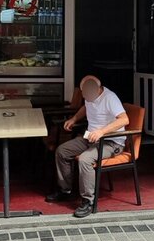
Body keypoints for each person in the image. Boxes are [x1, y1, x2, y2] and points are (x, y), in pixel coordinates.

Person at [46, 75, 129, 220]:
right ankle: (65, 190)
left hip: (110, 142)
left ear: (98, 88)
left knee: (85, 159)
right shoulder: (89, 96)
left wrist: (102, 131)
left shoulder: (110, 98)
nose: (86, 96)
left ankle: (87, 201)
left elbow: (124, 119)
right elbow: (86, 107)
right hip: (90, 138)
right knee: (62, 151)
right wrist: (74, 119)